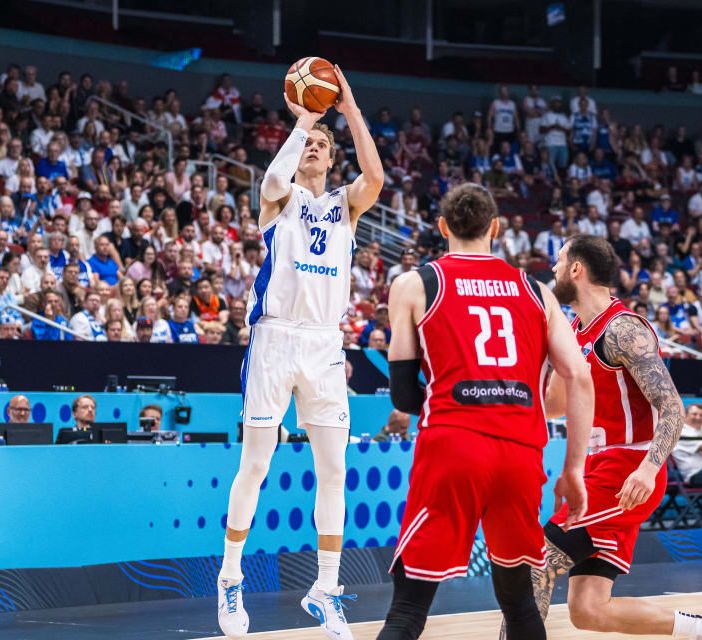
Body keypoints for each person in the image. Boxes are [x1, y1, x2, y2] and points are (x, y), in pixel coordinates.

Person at [377, 184, 593, 640]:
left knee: (406, 613)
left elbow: (402, 393)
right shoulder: (537, 291)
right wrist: (574, 469)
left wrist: (457, 399)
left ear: (443, 227)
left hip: (453, 447)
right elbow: (578, 375)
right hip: (520, 455)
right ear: (495, 228)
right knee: (520, 605)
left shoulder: (415, 283)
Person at [516, 234, 702, 640]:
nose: (553, 268)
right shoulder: (571, 331)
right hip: (597, 470)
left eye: (559, 261)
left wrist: (648, 469)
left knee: (535, 564)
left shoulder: (622, 330)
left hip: (628, 468)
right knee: (589, 610)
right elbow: (552, 405)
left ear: (577, 269)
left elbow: (673, 408)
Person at [218, 65, 383, 640]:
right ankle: (230, 576)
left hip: (323, 342)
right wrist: (304, 121)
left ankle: (326, 590)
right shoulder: (279, 198)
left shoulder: (345, 204)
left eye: (320, 145)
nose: (312, 147)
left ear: (331, 159)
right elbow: (270, 180)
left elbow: (375, 176)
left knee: (334, 470)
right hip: (274, 337)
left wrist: (349, 109)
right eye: (306, 143)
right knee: (256, 464)